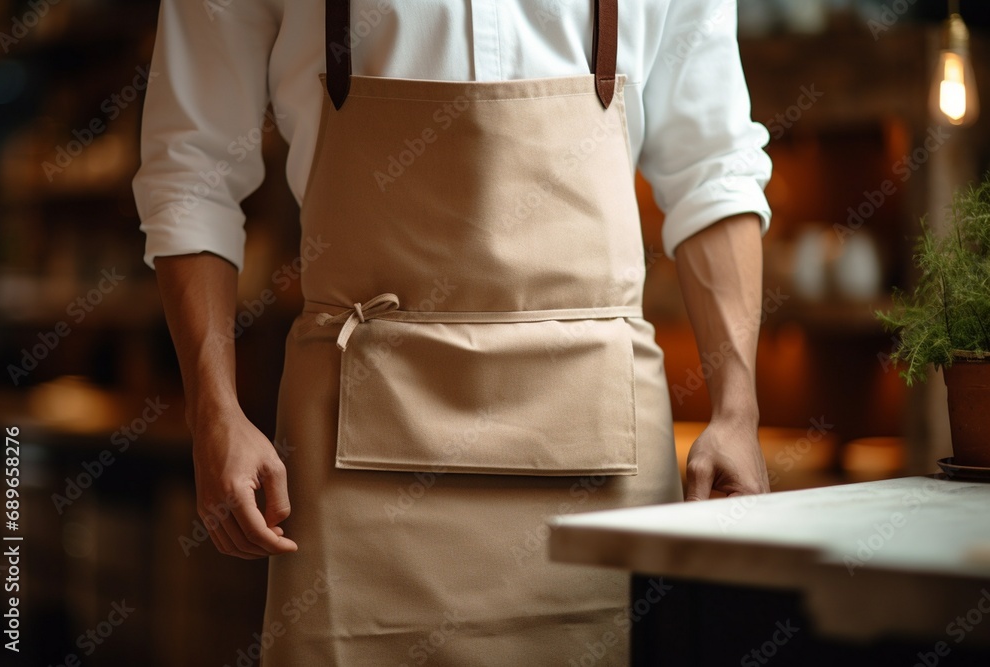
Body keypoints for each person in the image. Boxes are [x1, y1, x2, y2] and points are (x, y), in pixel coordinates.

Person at [133, 0, 772, 663]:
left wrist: (737, 408)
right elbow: (192, 173)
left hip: (600, 461)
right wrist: (215, 411)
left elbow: (713, 169)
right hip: (358, 449)